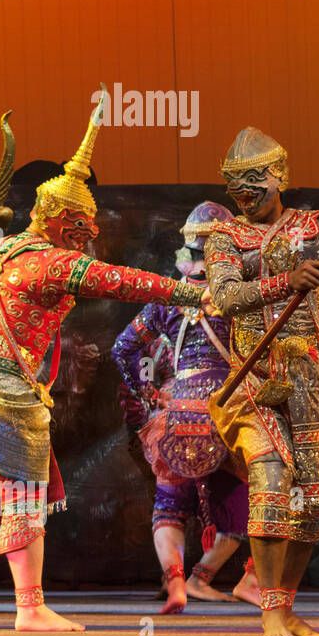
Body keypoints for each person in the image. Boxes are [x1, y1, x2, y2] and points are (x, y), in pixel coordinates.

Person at [0, 93, 211, 631]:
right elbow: (126, 281)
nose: (92, 234)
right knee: (23, 487)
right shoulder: (51, 262)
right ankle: (30, 607)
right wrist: (190, 294)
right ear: (65, 221)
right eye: (85, 224)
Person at [205, 126, 319, 636]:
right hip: (258, 381)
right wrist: (285, 282)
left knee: (313, 500)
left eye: (253, 180)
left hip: (314, 381)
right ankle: (266, 613)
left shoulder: (314, 225)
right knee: (269, 484)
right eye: (233, 184)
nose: (243, 193)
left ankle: (285, 609)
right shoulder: (226, 237)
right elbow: (224, 296)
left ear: (279, 175)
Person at [112, 202, 252, 613]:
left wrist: (147, 397)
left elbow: (123, 348)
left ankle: (177, 582)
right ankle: (217, 579)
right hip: (228, 413)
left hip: (177, 413)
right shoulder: (242, 294)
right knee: (250, 498)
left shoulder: (168, 298)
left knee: (170, 504)